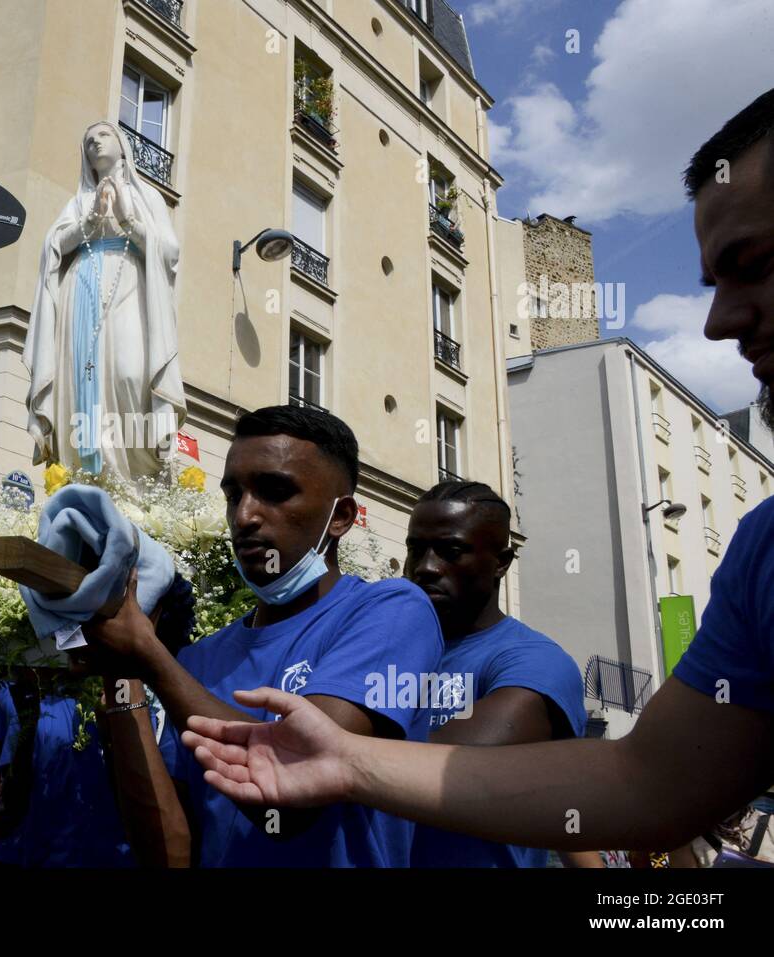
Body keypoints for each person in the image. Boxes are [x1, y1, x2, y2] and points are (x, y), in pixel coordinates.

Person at [178, 89, 774, 854]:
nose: (719, 319)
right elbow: (647, 781)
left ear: (504, 557)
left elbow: (540, 786)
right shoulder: (762, 551)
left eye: (752, 265)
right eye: (419, 546)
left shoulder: (521, 659)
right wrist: (346, 754)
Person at [83, 404, 444, 866]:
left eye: (275, 492)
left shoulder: (392, 612)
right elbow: (170, 852)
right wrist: (123, 679)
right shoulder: (198, 662)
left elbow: (296, 791)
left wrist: (150, 658)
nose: (245, 516)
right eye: (235, 494)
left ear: (341, 516)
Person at [402, 480, 585, 867]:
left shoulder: (534, 662)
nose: (426, 567)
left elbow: (451, 762)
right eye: (415, 549)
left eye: (451, 551)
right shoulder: (388, 651)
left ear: (502, 562)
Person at [23, 120, 186, 481]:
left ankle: (135, 482)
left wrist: (129, 222)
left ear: (122, 144)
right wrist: (91, 220)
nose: (95, 142)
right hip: (80, 290)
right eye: (88, 140)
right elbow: (53, 249)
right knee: (78, 379)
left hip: (129, 284)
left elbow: (170, 252)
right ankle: (83, 473)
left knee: (130, 372)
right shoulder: (78, 201)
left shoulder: (148, 197)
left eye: (103, 135)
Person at [0, 669, 137, 868]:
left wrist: (113, 720)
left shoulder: (104, 687)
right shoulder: (7, 687)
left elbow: (132, 758)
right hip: (21, 838)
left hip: (88, 839)